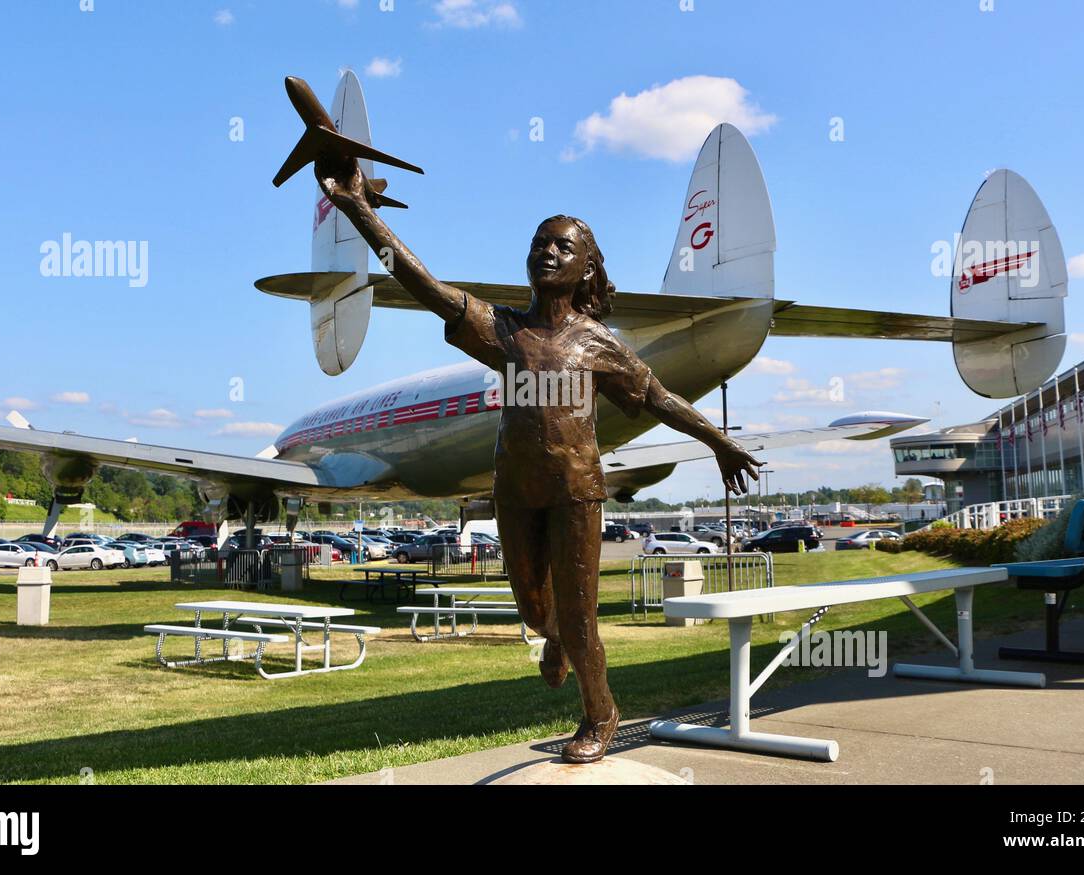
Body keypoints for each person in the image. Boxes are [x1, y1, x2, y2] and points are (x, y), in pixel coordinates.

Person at [316, 157, 762, 763]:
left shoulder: (598, 343)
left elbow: (658, 397)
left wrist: (719, 440)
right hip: (515, 491)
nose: (547, 252)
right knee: (533, 607)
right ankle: (552, 637)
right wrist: (358, 208)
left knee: (580, 620)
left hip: (576, 491)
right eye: (539, 243)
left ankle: (599, 715)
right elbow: (423, 285)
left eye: (563, 246)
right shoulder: (504, 331)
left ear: (586, 268)